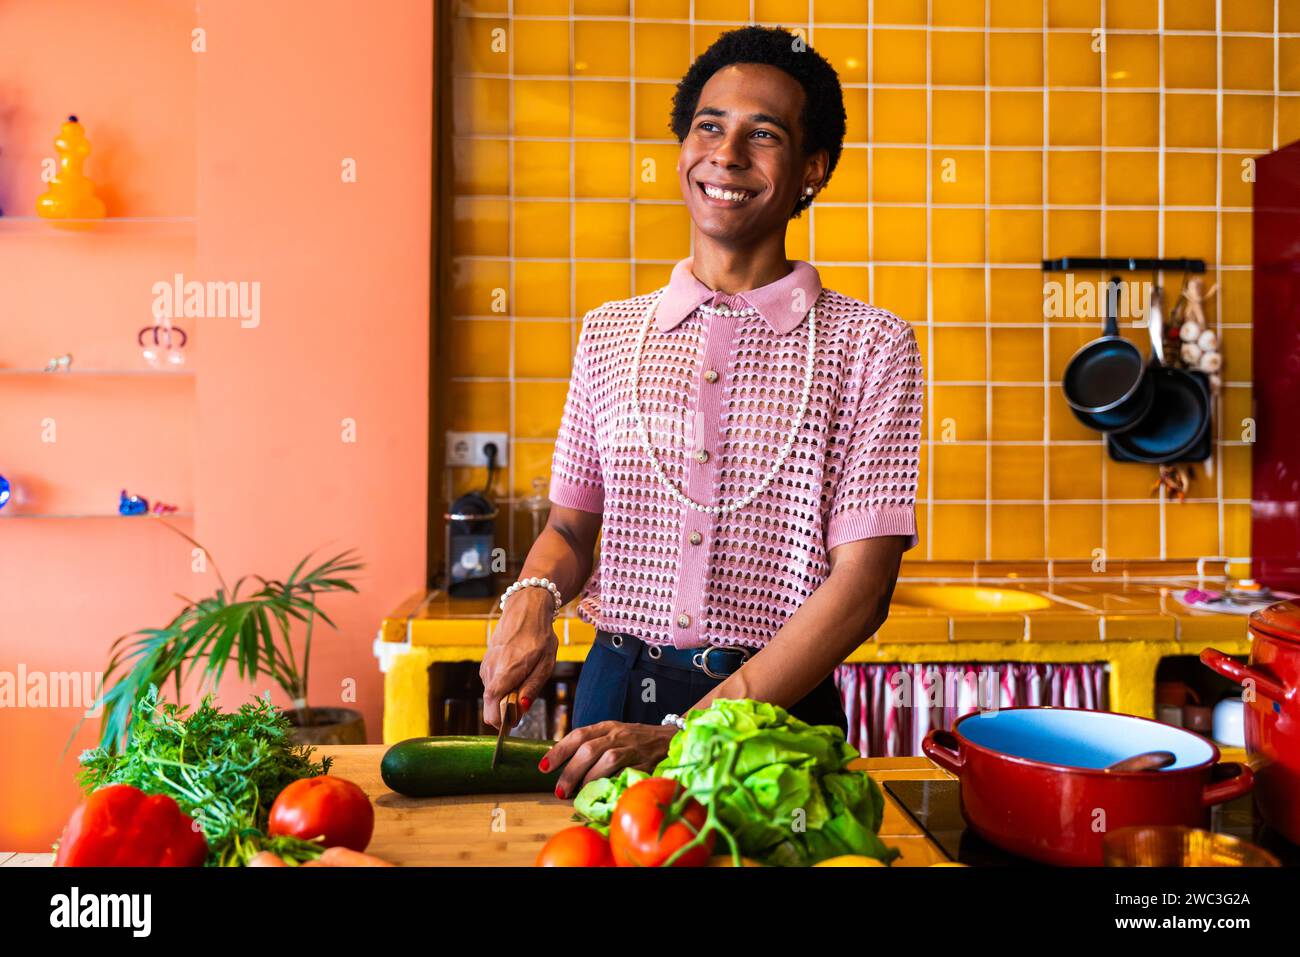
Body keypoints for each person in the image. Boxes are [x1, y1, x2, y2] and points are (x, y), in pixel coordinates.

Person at [480, 25, 922, 800]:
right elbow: (569, 530)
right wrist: (532, 600)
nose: (727, 153)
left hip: (774, 719)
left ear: (811, 170)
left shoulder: (872, 346)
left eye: (765, 135)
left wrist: (690, 737)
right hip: (611, 696)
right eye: (709, 126)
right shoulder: (610, 333)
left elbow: (863, 587)